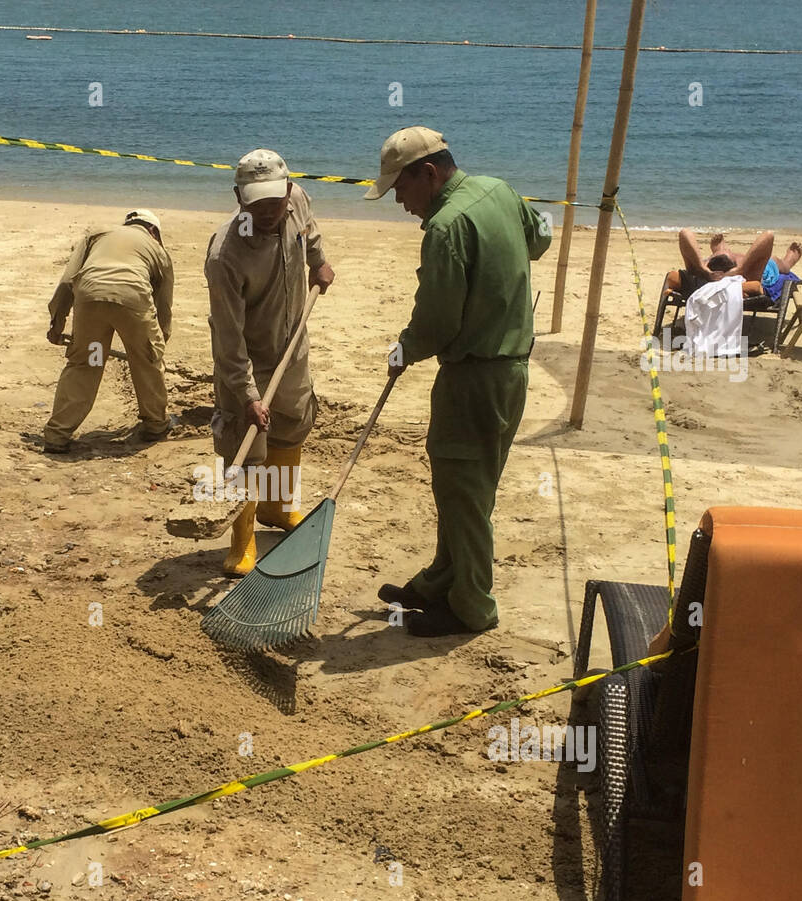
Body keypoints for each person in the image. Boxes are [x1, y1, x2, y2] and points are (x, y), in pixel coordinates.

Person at [366, 126, 550, 638]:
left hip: (474, 375)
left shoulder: (446, 226)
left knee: (465, 493)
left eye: (400, 189)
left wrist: (405, 347)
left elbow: (438, 319)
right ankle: (442, 579)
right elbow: (541, 238)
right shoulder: (500, 190)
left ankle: (472, 607)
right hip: (510, 372)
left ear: (429, 173)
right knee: (463, 488)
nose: (399, 201)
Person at [204, 149, 335, 576]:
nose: (267, 211)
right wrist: (245, 394)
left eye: (274, 201)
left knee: (293, 423)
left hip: (292, 344)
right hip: (247, 358)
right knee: (247, 443)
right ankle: (242, 540)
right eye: (255, 202)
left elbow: (309, 232)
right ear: (238, 197)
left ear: (289, 190)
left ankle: (277, 509)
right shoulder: (225, 255)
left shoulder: (296, 201)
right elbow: (228, 336)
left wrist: (318, 262)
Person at [43, 209, 174, 453]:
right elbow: (163, 307)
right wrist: (156, 347)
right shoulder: (158, 251)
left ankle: (57, 434)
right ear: (154, 231)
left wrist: (56, 322)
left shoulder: (97, 234)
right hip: (133, 299)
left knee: (87, 362)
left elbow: (67, 281)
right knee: (145, 363)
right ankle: (156, 425)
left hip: (91, 298)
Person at [667, 229, 802, 302]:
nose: (729, 251)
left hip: (712, 268)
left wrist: (703, 269)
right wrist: (740, 269)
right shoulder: (748, 274)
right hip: (747, 267)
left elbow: (684, 233)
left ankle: (718, 249)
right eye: (728, 252)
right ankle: (789, 260)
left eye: (727, 251)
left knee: (722, 253)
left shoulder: (699, 270)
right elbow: (768, 235)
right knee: (779, 264)